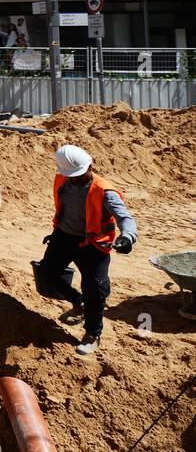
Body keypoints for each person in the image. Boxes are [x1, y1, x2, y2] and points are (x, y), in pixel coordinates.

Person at [32, 145, 138, 357]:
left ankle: (92, 334)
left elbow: (126, 218)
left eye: (80, 175)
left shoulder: (104, 191)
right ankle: (76, 302)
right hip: (64, 236)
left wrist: (127, 238)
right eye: (73, 177)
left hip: (94, 244)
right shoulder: (63, 180)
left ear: (90, 166)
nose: (76, 180)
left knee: (95, 290)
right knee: (46, 273)